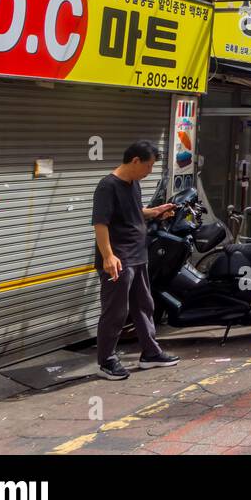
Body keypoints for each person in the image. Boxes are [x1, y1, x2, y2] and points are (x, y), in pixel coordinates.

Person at [92, 141, 179, 381]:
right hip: (119, 259)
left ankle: (150, 353)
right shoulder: (107, 186)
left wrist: (156, 211)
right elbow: (100, 223)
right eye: (148, 166)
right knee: (116, 312)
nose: (149, 171)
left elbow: (134, 212)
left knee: (144, 306)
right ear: (135, 161)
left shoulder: (133, 184)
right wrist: (108, 256)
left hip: (138, 255)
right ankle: (106, 360)